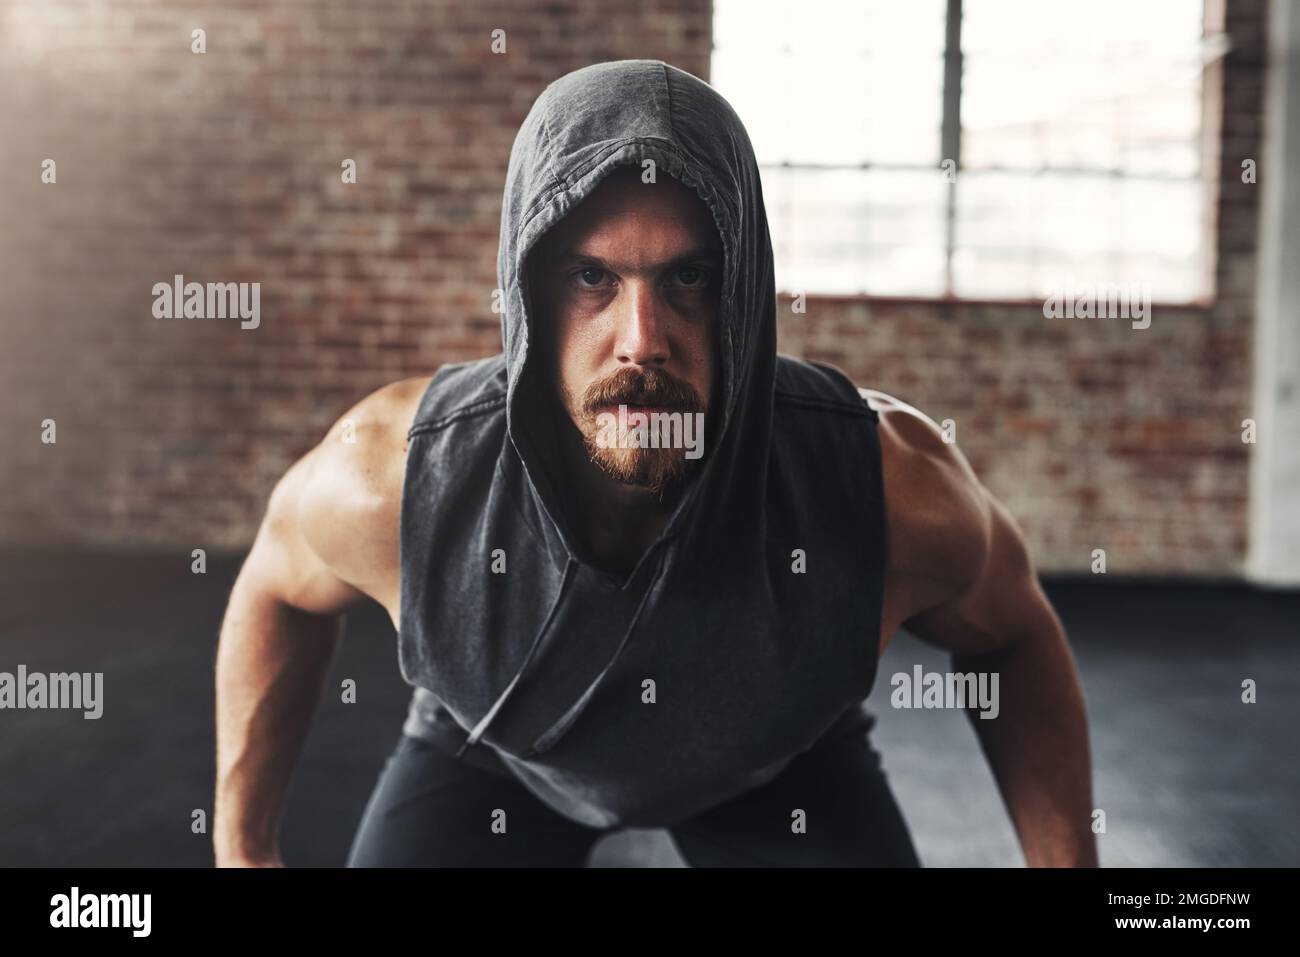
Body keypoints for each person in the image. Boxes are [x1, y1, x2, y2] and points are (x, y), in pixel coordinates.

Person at [213, 60, 1097, 868]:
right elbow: (276, 588)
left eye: (688, 279)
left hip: (777, 765)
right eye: (591, 279)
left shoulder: (887, 489)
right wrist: (244, 852)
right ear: (530, 298)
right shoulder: (394, 480)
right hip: (493, 752)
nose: (643, 342)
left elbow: (1015, 631)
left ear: (742, 292)